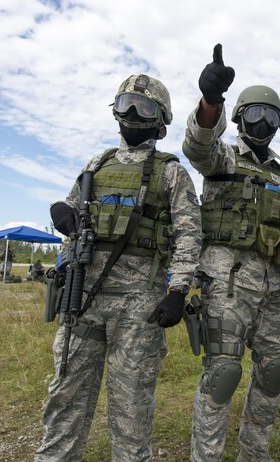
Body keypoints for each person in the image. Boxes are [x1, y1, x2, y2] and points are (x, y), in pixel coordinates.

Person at [35, 73, 202, 462]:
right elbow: (74, 211)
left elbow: (190, 235)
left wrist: (177, 290)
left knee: (131, 405)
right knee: (65, 394)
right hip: (84, 295)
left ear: (159, 119)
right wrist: (62, 212)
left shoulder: (171, 172)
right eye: (125, 104)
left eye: (142, 107)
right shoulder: (98, 163)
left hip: (139, 305)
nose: (131, 114)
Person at [182, 44, 280, 462]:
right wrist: (210, 101)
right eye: (253, 114)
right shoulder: (224, 159)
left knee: (273, 372)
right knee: (222, 375)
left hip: (277, 289)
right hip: (228, 284)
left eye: (270, 116)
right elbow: (198, 146)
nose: (261, 123)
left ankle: (254, 454)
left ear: (279, 124)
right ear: (238, 118)